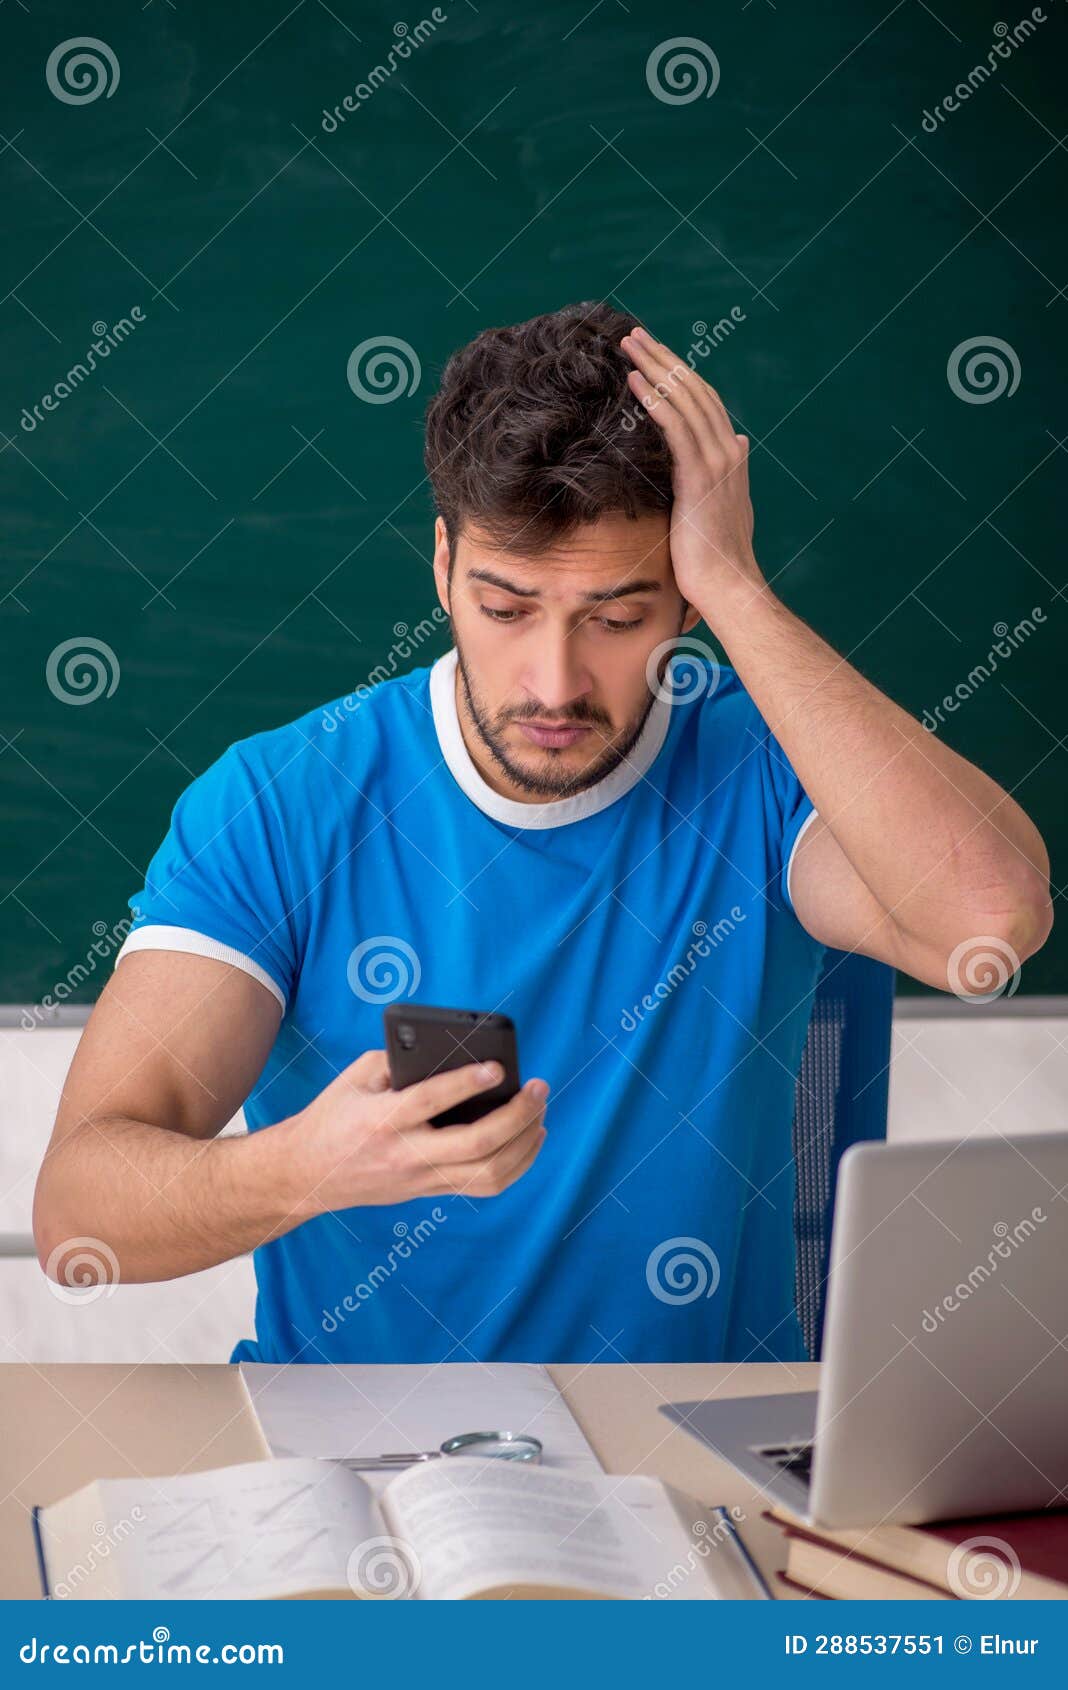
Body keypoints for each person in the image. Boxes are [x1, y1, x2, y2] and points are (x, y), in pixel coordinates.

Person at [33, 301, 1052, 1365]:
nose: (555, 682)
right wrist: (306, 1168)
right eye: (507, 607)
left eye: (617, 617)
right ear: (441, 569)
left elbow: (991, 920)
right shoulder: (283, 801)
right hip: (361, 1471)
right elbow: (77, 1217)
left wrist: (741, 587)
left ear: (684, 598)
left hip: (695, 1464)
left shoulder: (769, 771)